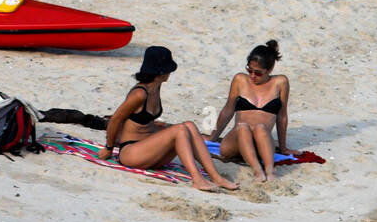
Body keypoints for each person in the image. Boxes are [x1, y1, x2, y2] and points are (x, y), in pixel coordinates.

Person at [102, 45, 239, 192]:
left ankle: (215, 177)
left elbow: (142, 122)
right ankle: (197, 179)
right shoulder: (140, 94)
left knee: (189, 125)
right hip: (131, 153)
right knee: (179, 130)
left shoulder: (156, 86)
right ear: (161, 72)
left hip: (150, 152)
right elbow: (116, 119)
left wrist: (157, 126)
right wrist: (109, 148)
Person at [208, 39, 290, 182]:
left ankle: (270, 172)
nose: (252, 76)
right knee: (243, 127)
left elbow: (282, 116)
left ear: (270, 70)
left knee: (260, 128)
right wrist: (213, 137)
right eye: (249, 70)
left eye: (258, 73)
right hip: (236, 140)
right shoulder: (240, 79)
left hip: (261, 139)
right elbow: (228, 110)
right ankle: (257, 171)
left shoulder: (280, 82)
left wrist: (283, 148)